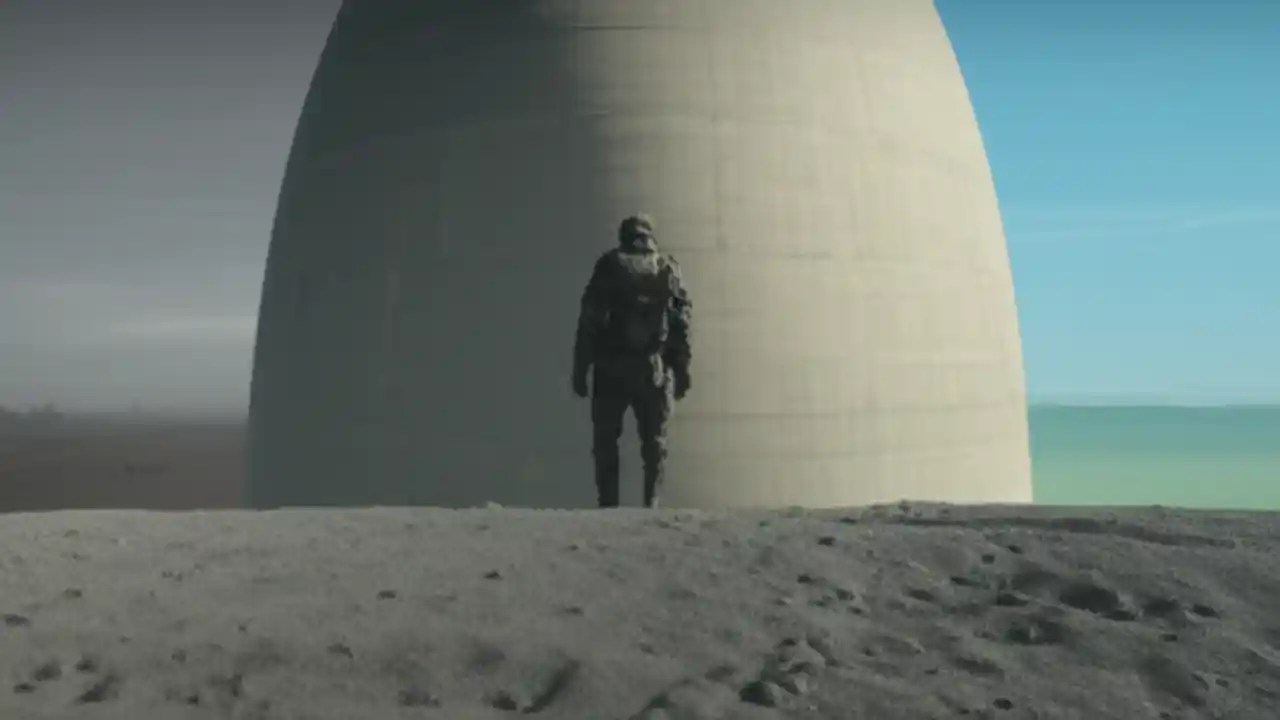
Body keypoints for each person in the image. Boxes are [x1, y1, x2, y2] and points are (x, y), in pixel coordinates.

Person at [571, 214, 692, 508]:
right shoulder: (667, 267)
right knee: (653, 441)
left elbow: (590, 321)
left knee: (607, 441)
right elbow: (680, 324)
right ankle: (651, 503)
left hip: (611, 368)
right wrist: (682, 370)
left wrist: (580, 369)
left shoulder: (610, 265)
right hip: (652, 370)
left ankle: (609, 504)